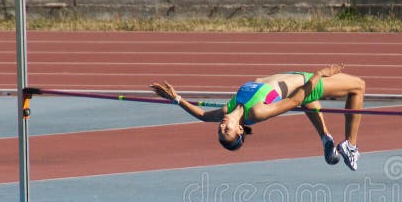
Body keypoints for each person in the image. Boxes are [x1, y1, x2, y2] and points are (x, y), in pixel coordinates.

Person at [149, 64, 365, 170]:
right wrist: (319, 75)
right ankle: (350, 145)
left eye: (220, 130)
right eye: (227, 131)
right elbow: (293, 102)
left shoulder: (229, 109)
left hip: (294, 74)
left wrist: (176, 98)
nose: (222, 126)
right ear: (241, 130)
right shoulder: (256, 112)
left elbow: (203, 116)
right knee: (358, 86)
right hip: (307, 82)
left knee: (309, 100)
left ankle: (325, 137)